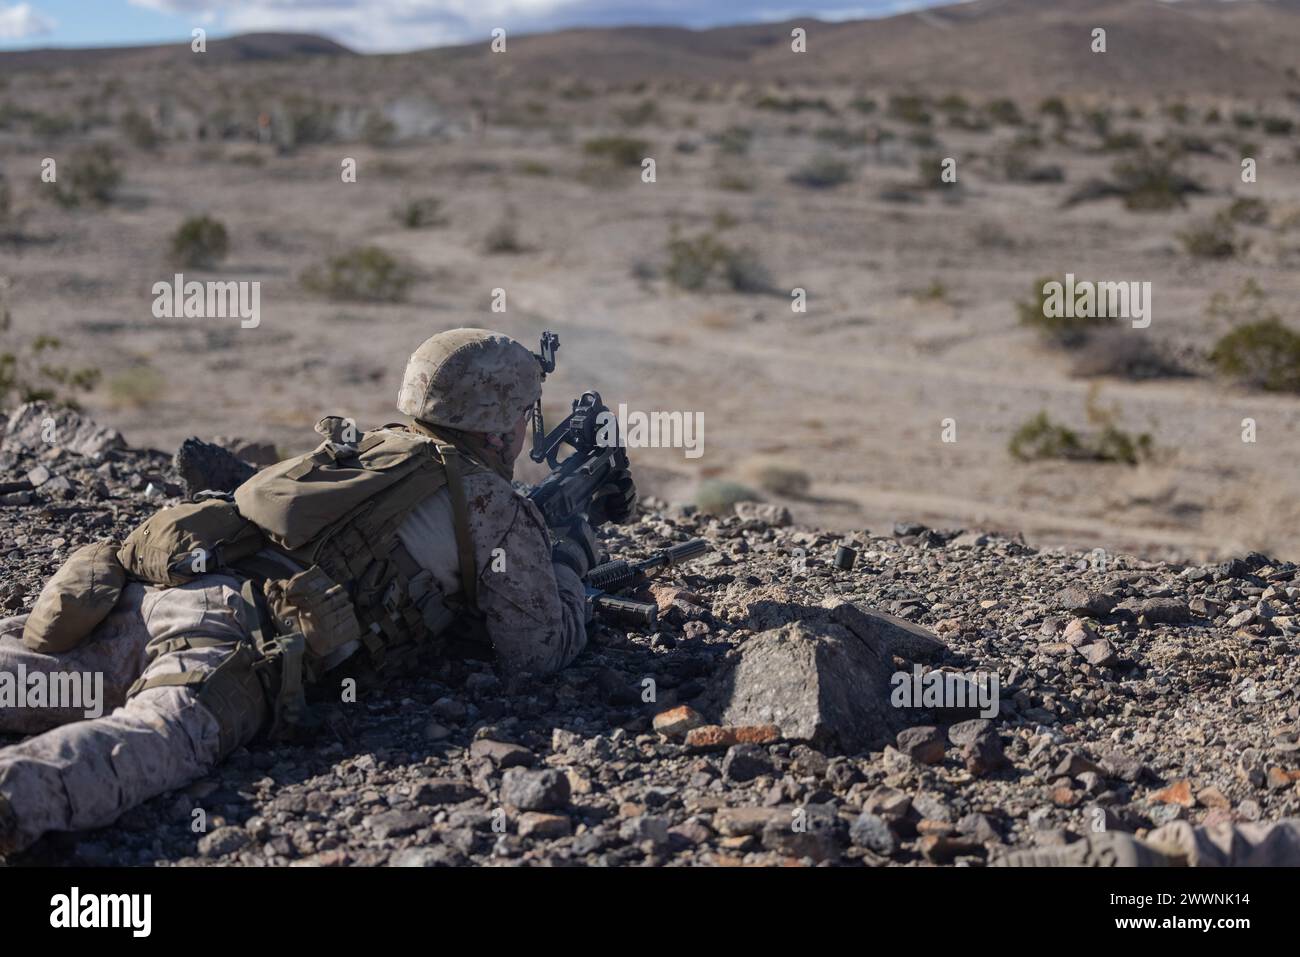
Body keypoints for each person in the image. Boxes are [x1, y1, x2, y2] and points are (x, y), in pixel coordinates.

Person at [0, 327, 636, 857]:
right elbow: (535, 651)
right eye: (524, 416)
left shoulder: (377, 445)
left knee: (46, 678)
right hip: (237, 637)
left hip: (169, 586)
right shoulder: (492, 502)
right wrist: (569, 561)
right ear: (500, 426)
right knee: (163, 735)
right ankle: (17, 793)